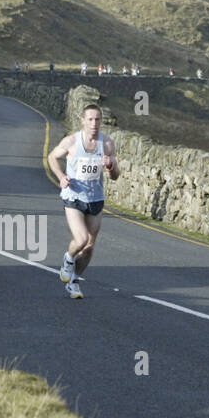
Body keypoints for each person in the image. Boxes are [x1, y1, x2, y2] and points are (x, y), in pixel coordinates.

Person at [47, 103, 120, 299]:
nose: (94, 123)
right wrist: (61, 176)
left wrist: (110, 165)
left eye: (97, 119)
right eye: (90, 119)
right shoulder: (71, 141)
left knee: (89, 247)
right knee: (81, 239)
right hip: (74, 196)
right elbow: (52, 157)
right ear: (82, 120)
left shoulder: (107, 144)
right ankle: (68, 258)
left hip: (95, 199)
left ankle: (74, 280)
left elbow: (115, 176)